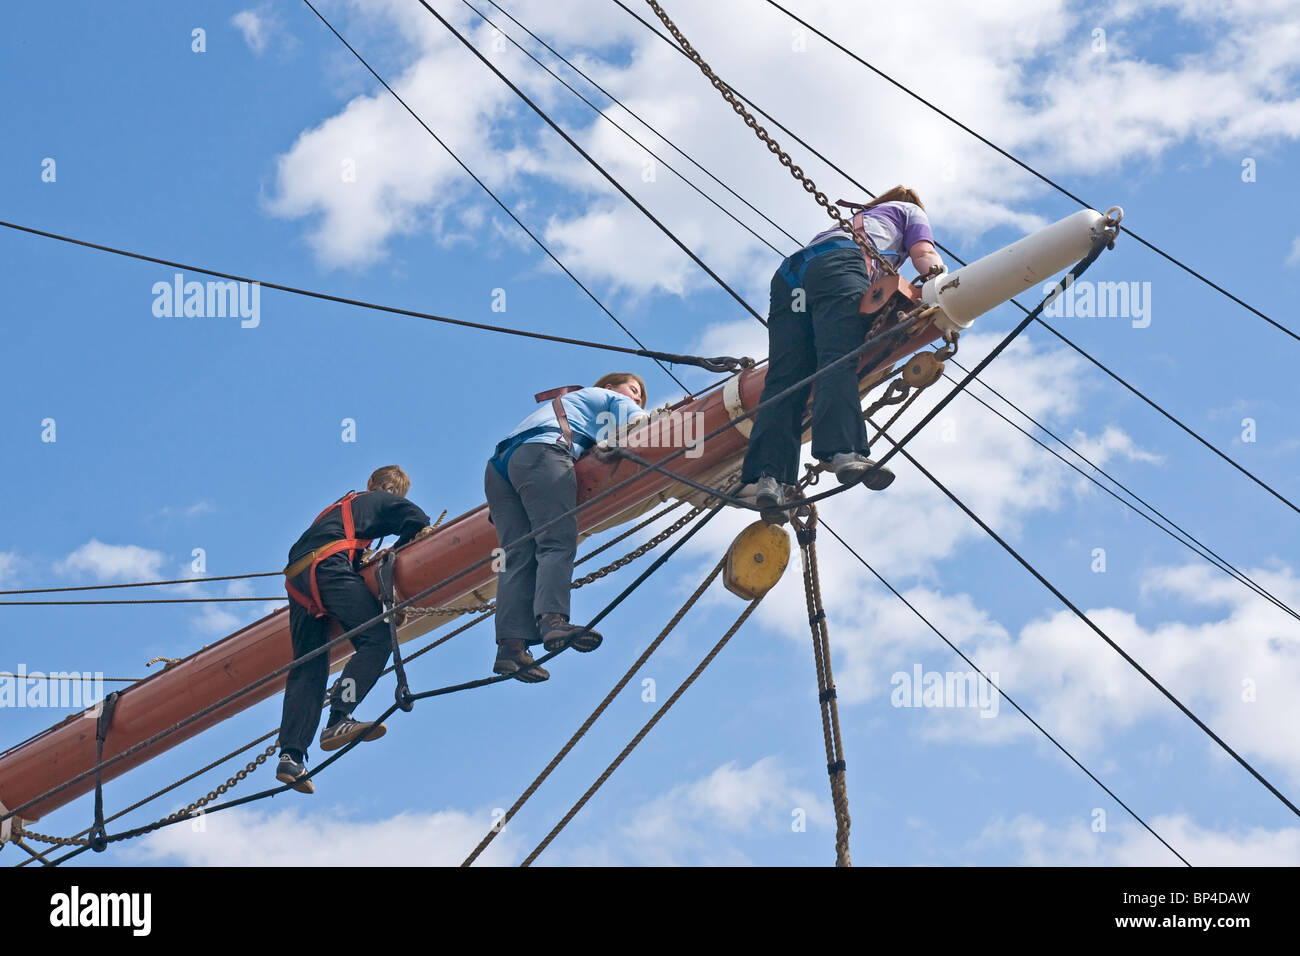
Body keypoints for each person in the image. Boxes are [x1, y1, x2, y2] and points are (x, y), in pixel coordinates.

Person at [738, 186, 946, 511]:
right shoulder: (911, 212)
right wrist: (942, 281)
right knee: (838, 358)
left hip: (792, 277)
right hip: (839, 265)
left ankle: (769, 477)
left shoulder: (856, 218)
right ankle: (844, 452)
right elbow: (924, 255)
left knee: (785, 379)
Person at [276, 465, 433, 794]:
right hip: (329, 569)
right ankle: (339, 718)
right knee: (376, 640)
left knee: (308, 667)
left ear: (370, 481)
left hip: (297, 579)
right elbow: (418, 518)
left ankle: (291, 756)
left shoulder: (339, 508)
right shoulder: (380, 500)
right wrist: (398, 546)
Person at [485, 373, 649, 682]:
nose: (637, 397)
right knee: (557, 541)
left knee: (517, 557)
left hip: (499, 468)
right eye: (634, 390)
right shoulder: (608, 398)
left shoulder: (575, 409)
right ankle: (553, 622)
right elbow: (643, 424)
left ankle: (511, 649)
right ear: (610, 388)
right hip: (544, 452)